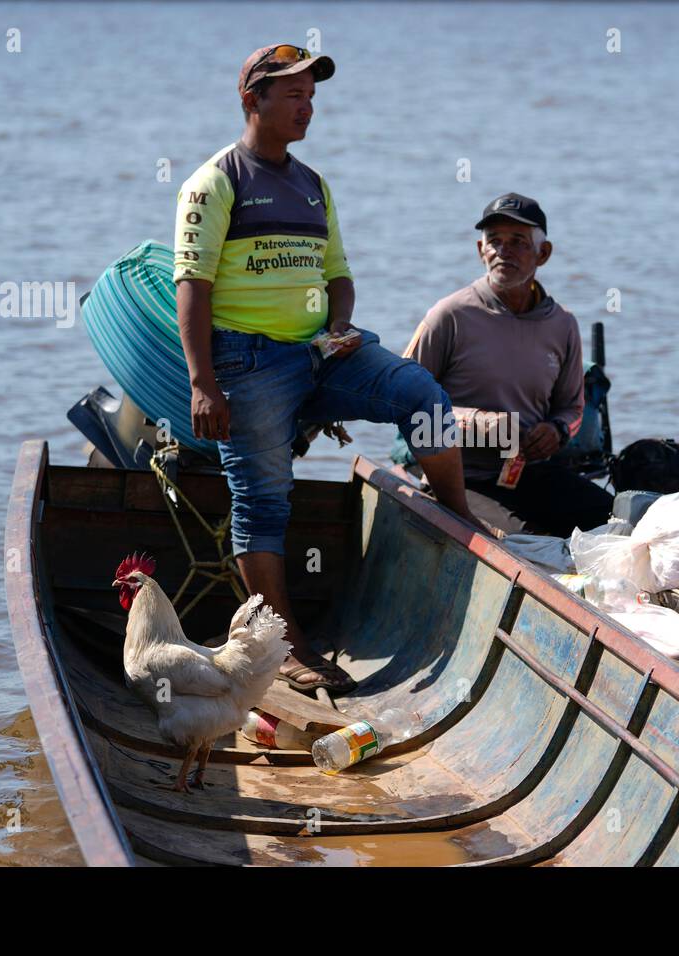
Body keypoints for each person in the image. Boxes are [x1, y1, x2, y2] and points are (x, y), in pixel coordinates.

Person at [173, 45, 483, 693]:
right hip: (246, 361)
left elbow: (338, 276)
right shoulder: (215, 183)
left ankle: (459, 522)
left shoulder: (312, 185)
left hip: (320, 353)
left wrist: (338, 326)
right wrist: (204, 382)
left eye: (312, 95)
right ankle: (283, 646)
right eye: (293, 94)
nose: (307, 105)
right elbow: (193, 287)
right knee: (262, 501)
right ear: (252, 100)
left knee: (420, 394)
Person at [403, 193, 612, 537]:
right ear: (480, 250)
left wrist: (556, 430)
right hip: (459, 477)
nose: (503, 251)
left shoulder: (562, 325)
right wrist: (481, 424)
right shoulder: (449, 316)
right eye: (494, 241)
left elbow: (572, 408)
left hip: (531, 472)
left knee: (615, 523)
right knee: (525, 543)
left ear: (543, 254)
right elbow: (405, 405)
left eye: (517, 242)